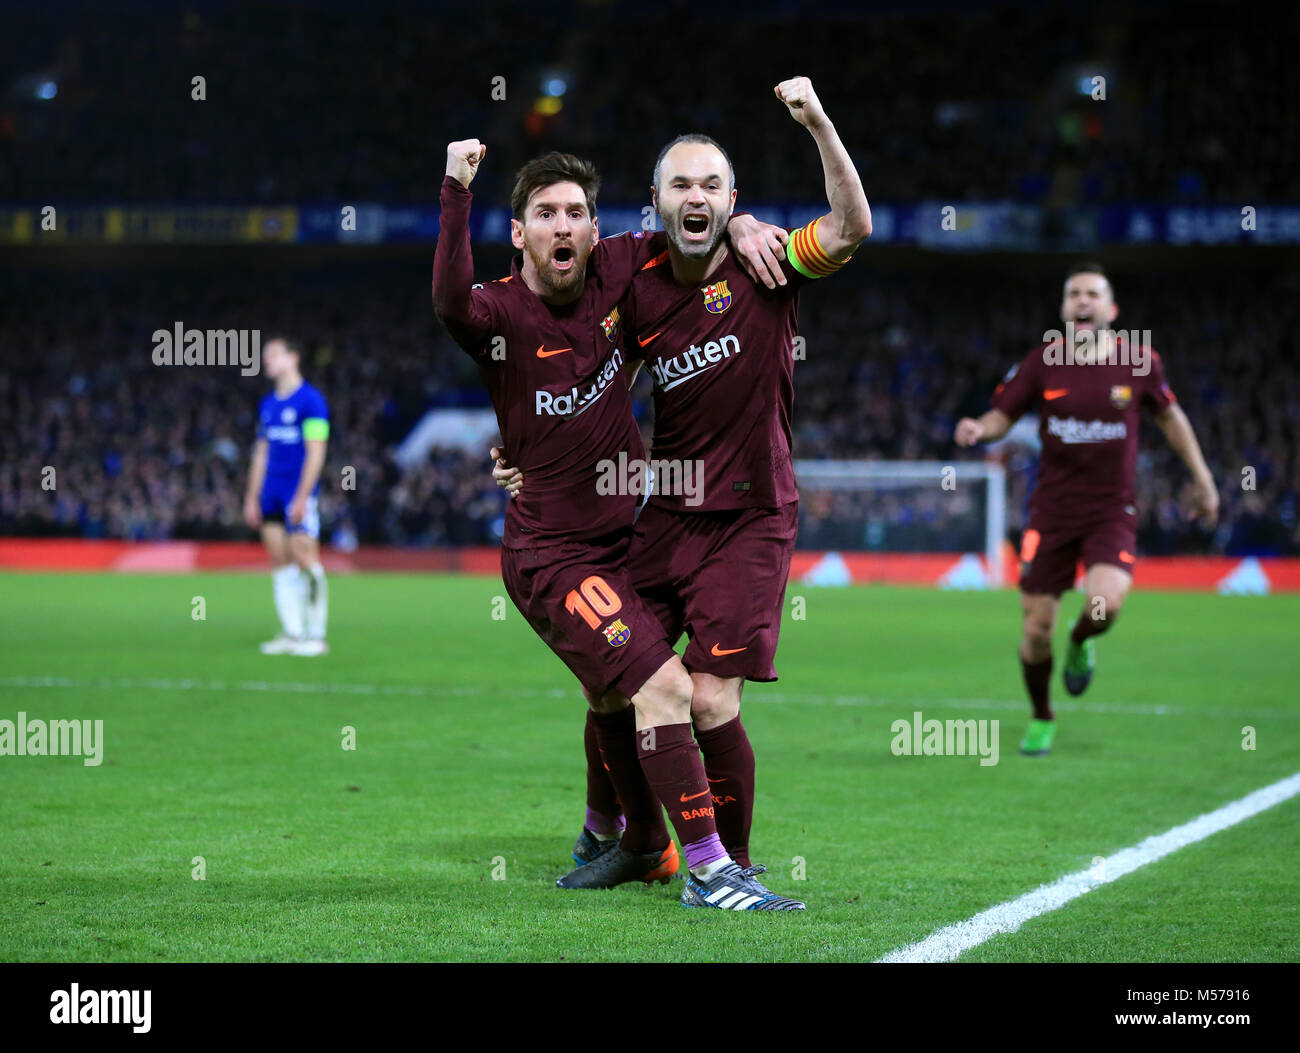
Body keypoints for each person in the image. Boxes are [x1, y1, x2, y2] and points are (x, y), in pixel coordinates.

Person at [494, 77, 870, 908]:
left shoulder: (767, 259)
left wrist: (816, 122)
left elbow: (852, 228)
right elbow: (580, 371)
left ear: (733, 198)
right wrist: (523, 448)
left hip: (751, 516)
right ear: (655, 202)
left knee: (702, 696)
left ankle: (724, 865)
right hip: (664, 511)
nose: (696, 196)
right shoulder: (638, 285)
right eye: (680, 185)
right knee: (616, 680)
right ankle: (632, 840)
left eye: (712, 186)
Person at [434, 141, 802, 909]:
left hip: (623, 537)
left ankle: (621, 838)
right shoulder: (499, 309)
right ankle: (707, 869)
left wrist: (746, 224)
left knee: (612, 699)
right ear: (520, 232)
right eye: (545, 214)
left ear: (595, 229)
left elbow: (690, 220)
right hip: (550, 555)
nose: (562, 225)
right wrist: (455, 191)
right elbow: (448, 300)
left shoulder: (617, 268)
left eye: (574, 212)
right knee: (666, 686)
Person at [955, 263, 1218, 755]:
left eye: (1092, 294)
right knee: (1035, 631)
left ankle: (1080, 641)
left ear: (1111, 310)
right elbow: (1001, 415)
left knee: (1104, 607)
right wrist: (978, 429)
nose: (1082, 301)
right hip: (1050, 513)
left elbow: (1170, 416)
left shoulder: (1140, 362)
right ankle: (1041, 716)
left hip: (1111, 512)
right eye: (1073, 293)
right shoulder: (1042, 362)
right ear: (1063, 308)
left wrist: (1203, 479)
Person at [243, 336, 331, 657]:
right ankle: (293, 633)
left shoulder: (312, 401)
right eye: (266, 355)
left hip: (297, 492)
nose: (267, 360)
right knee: (280, 561)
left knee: (306, 559)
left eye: (274, 354)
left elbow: (316, 452)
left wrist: (303, 496)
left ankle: (316, 636)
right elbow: (261, 454)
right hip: (270, 494)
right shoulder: (267, 404)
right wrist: (252, 496)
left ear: (293, 358)